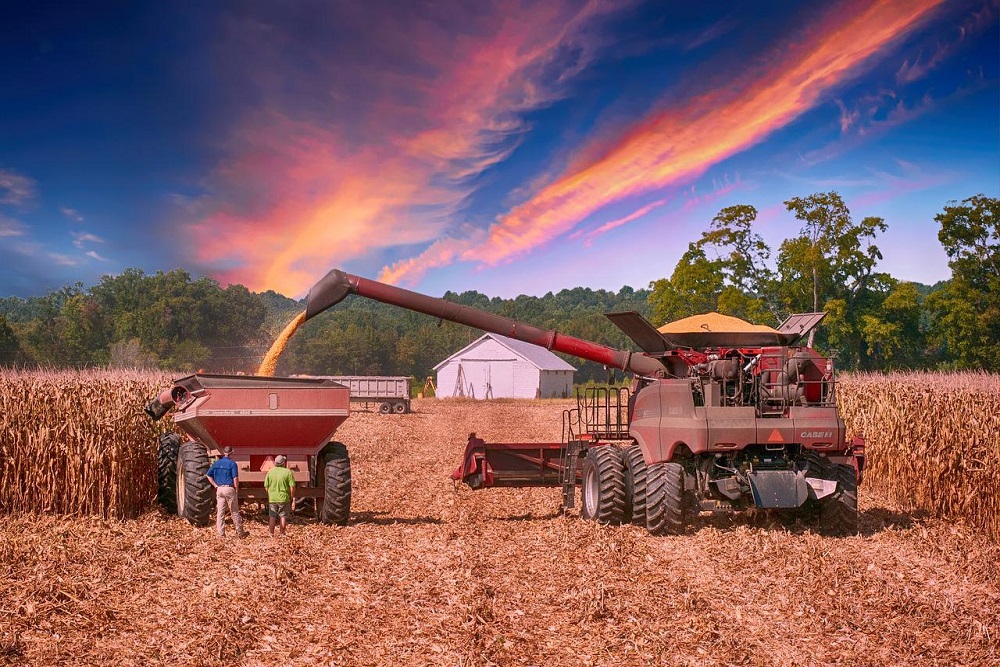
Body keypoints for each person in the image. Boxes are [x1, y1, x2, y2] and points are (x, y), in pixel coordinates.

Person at [206, 446, 249, 538]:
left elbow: (208, 475)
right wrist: (236, 489)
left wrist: (215, 485)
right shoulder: (232, 464)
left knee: (220, 512)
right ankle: (240, 533)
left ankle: (221, 534)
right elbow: (235, 478)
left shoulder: (217, 463)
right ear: (231, 454)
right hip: (229, 488)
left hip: (219, 489)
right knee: (234, 511)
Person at [264, 454, 296, 537]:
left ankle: (271, 534)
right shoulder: (288, 472)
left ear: (275, 463)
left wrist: (270, 494)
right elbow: (292, 487)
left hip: (273, 498)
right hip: (284, 498)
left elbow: (266, 486)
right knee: (283, 516)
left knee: (272, 516)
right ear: (283, 463)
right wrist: (292, 496)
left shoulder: (270, 472)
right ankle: (282, 533)